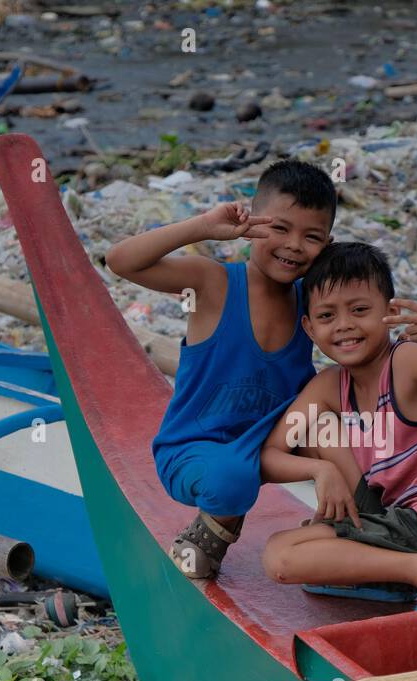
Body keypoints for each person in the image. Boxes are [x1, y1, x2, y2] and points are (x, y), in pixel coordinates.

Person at [105, 160, 337, 578]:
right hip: (197, 451)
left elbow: (360, 334)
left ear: (329, 244)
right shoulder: (213, 282)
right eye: (280, 228)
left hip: (275, 443)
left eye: (312, 237)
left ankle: (344, 536)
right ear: (251, 223)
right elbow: (121, 261)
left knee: (361, 440)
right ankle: (211, 529)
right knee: (231, 478)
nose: (294, 245)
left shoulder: (313, 298)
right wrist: (202, 227)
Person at [260, 242, 417, 608]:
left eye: (360, 310)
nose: (345, 326)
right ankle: (397, 572)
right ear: (309, 328)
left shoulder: (408, 362)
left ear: (390, 312)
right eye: (327, 316)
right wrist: (320, 469)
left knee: (280, 557)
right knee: (318, 431)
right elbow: (271, 452)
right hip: (395, 514)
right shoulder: (331, 384)